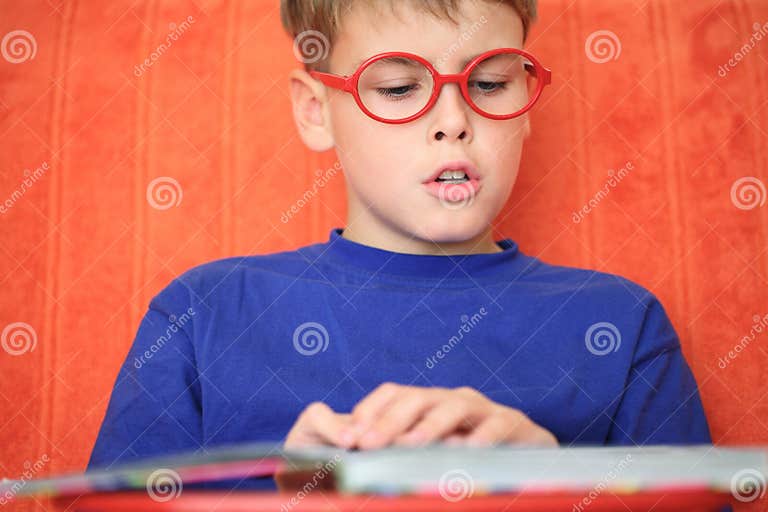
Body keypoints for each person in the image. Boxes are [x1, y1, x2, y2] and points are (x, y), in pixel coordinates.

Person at [87, 0, 712, 492]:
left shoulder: (621, 324)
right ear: (314, 112)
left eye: (490, 84)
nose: (453, 120)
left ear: (526, 103)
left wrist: (556, 484)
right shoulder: (205, 314)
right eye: (396, 89)